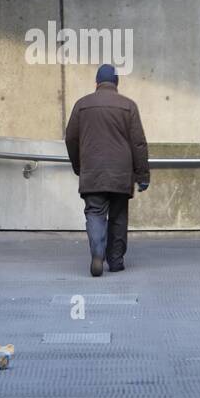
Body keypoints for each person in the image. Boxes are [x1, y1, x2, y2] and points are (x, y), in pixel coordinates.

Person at [64, 63, 150, 277]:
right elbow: (138, 143)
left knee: (95, 213)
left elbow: (71, 138)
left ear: (96, 83)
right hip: (121, 173)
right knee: (118, 216)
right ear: (116, 84)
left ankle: (97, 254)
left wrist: (78, 166)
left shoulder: (82, 105)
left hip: (93, 171)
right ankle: (116, 260)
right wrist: (142, 175)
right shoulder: (128, 106)